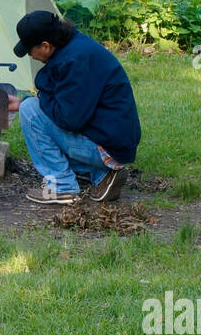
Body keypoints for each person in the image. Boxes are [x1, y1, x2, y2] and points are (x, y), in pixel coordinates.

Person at [7, 11, 141, 204]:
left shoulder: (74, 61)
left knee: (30, 110)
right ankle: (102, 175)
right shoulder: (73, 45)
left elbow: (68, 119)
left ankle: (61, 187)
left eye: (30, 50)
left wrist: (35, 98)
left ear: (45, 45)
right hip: (116, 142)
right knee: (30, 106)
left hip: (110, 148)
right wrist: (29, 99)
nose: (29, 55)